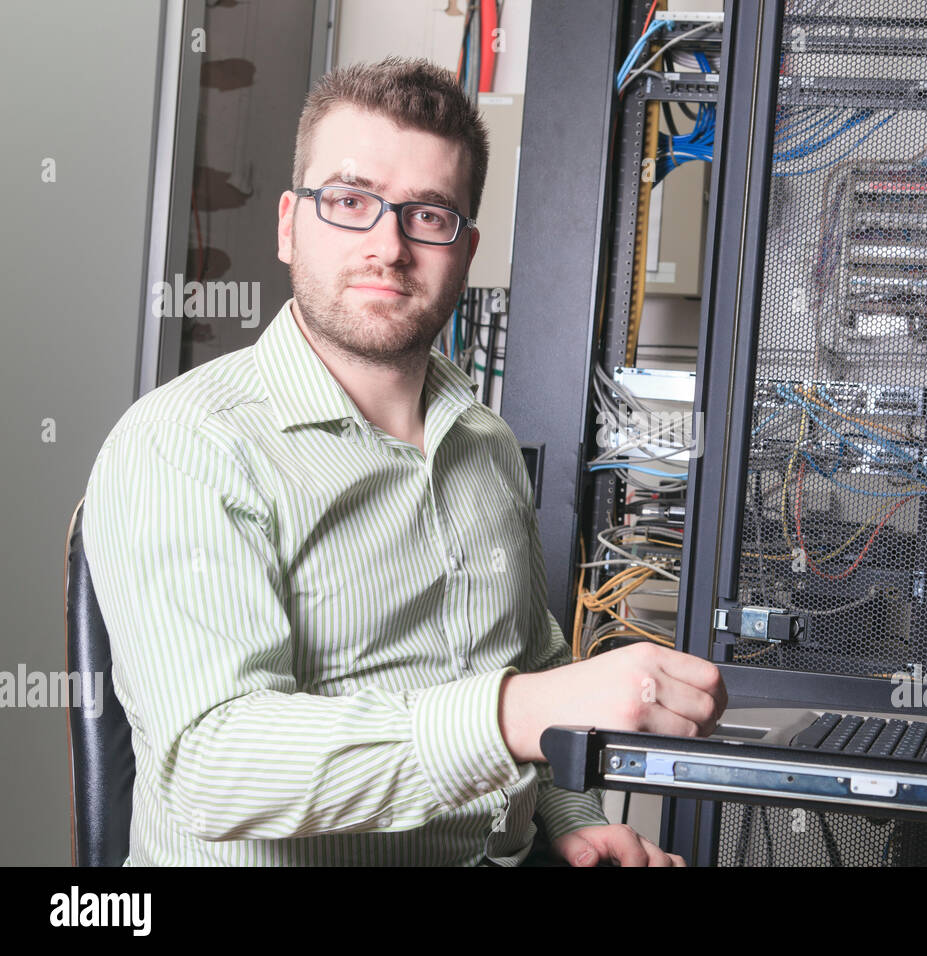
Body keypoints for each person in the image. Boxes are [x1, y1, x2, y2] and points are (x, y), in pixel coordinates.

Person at [82, 56, 726, 867]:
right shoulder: (186, 445)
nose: (387, 246)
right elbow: (215, 765)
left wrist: (571, 815)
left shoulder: (485, 444)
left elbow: (533, 662)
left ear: (465, 248)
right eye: (349, 201)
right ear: (288, 224)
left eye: (428, 215)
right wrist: (509, 715)